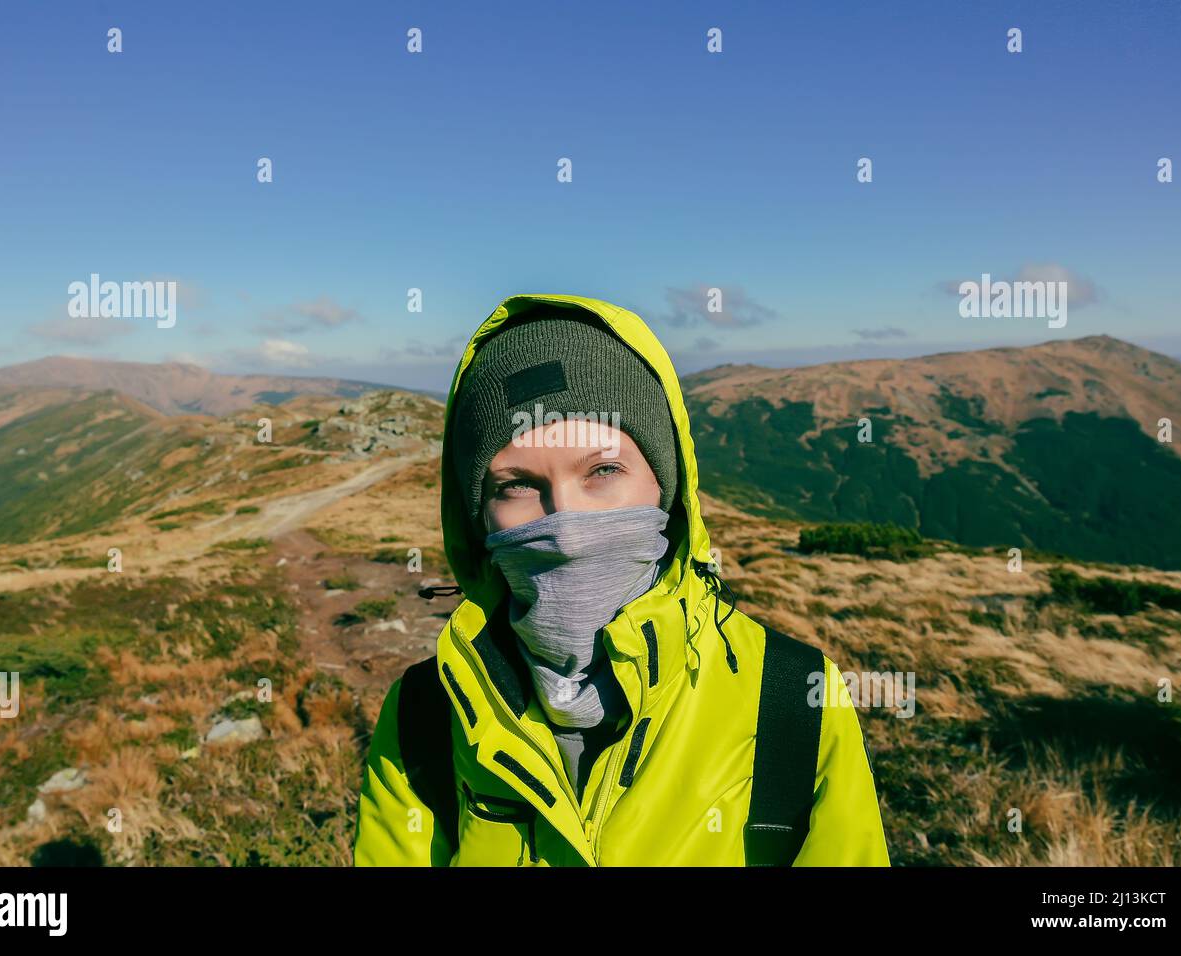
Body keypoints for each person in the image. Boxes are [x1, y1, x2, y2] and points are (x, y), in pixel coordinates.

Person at [352, 293, 890, 866]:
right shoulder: (425, 715)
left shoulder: (793, 700)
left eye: (604, 470)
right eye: (514, 485)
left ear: (667, 483)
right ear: (476, 515)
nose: (567, 527)